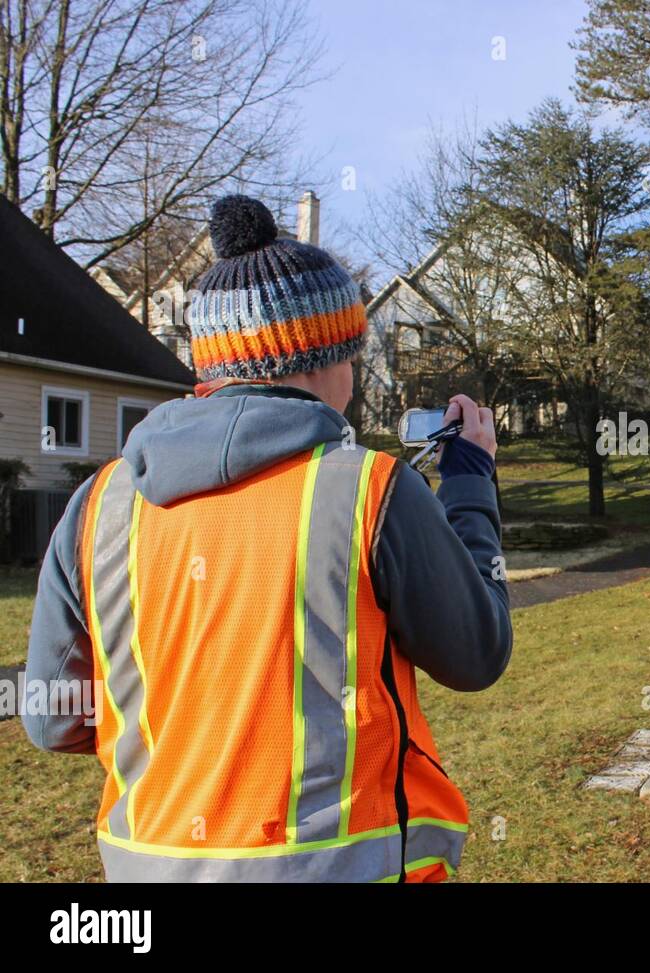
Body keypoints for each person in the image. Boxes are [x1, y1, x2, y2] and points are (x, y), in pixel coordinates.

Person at [24, 194, 511, 883]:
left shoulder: (96, 507)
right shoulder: (369, 490)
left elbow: (53, 720)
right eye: (352, 356)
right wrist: (470, 479)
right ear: (322, 359)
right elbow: (478, 650)